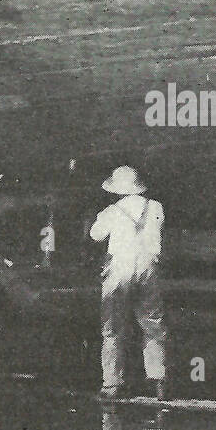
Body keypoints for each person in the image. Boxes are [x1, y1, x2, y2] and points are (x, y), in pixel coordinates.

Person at [89, 165, 167, 400]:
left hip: (120, 268)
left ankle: (112, 384)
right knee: (153, 324)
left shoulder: (111, 211)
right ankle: (158, 381)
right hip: (148, 267)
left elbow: (95, 235)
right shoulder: (156, 207)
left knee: (112, 327)